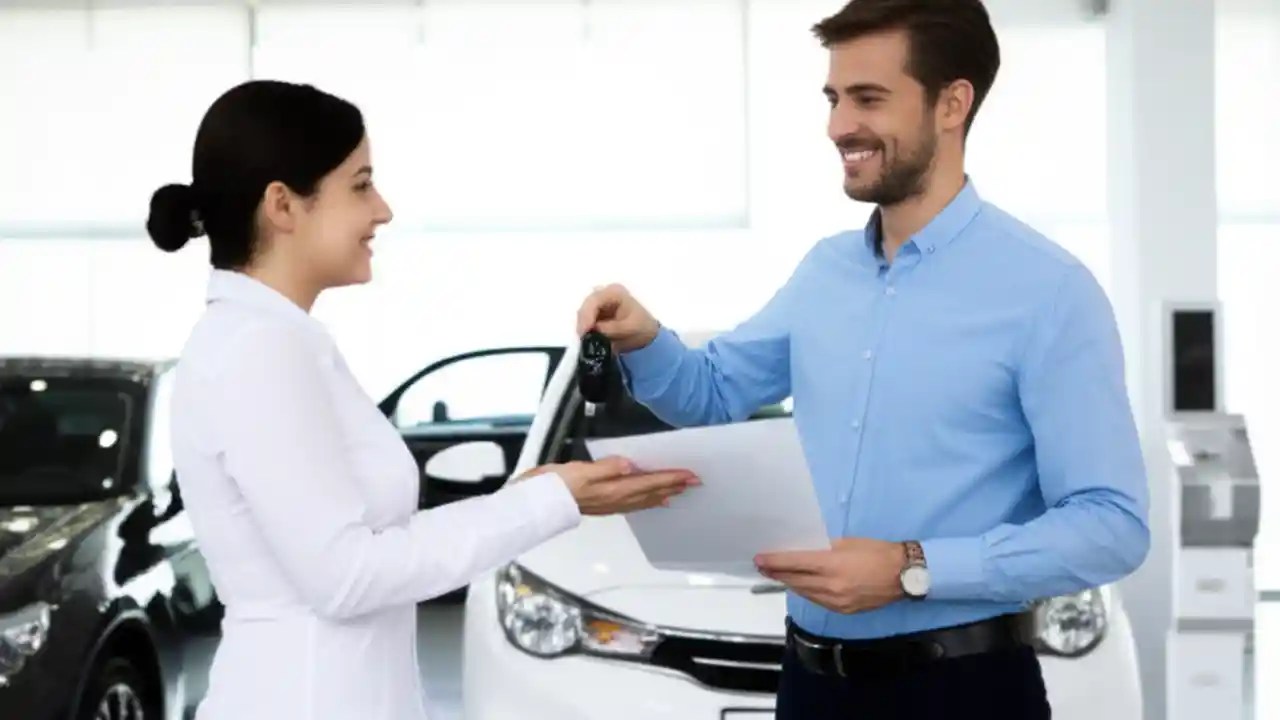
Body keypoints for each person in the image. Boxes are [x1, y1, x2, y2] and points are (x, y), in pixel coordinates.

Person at [575, 1, 1150, 718]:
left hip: (963, 691)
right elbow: (712, 392)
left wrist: (913, 568)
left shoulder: (1049, 292)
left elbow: (1111, 525)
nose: (838, 126)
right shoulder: (825, 272)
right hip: (809, 686)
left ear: (952, 104)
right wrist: (643, 337)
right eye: (834, 98)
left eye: (868, 99)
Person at [149, 80, 698, 720]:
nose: (382, 210)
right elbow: (348, 576)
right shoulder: (259, 348)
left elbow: (366, 552)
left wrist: (534, 495)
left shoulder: (268, 338)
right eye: (360, 185)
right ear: (283, 205)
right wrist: (550, 500)